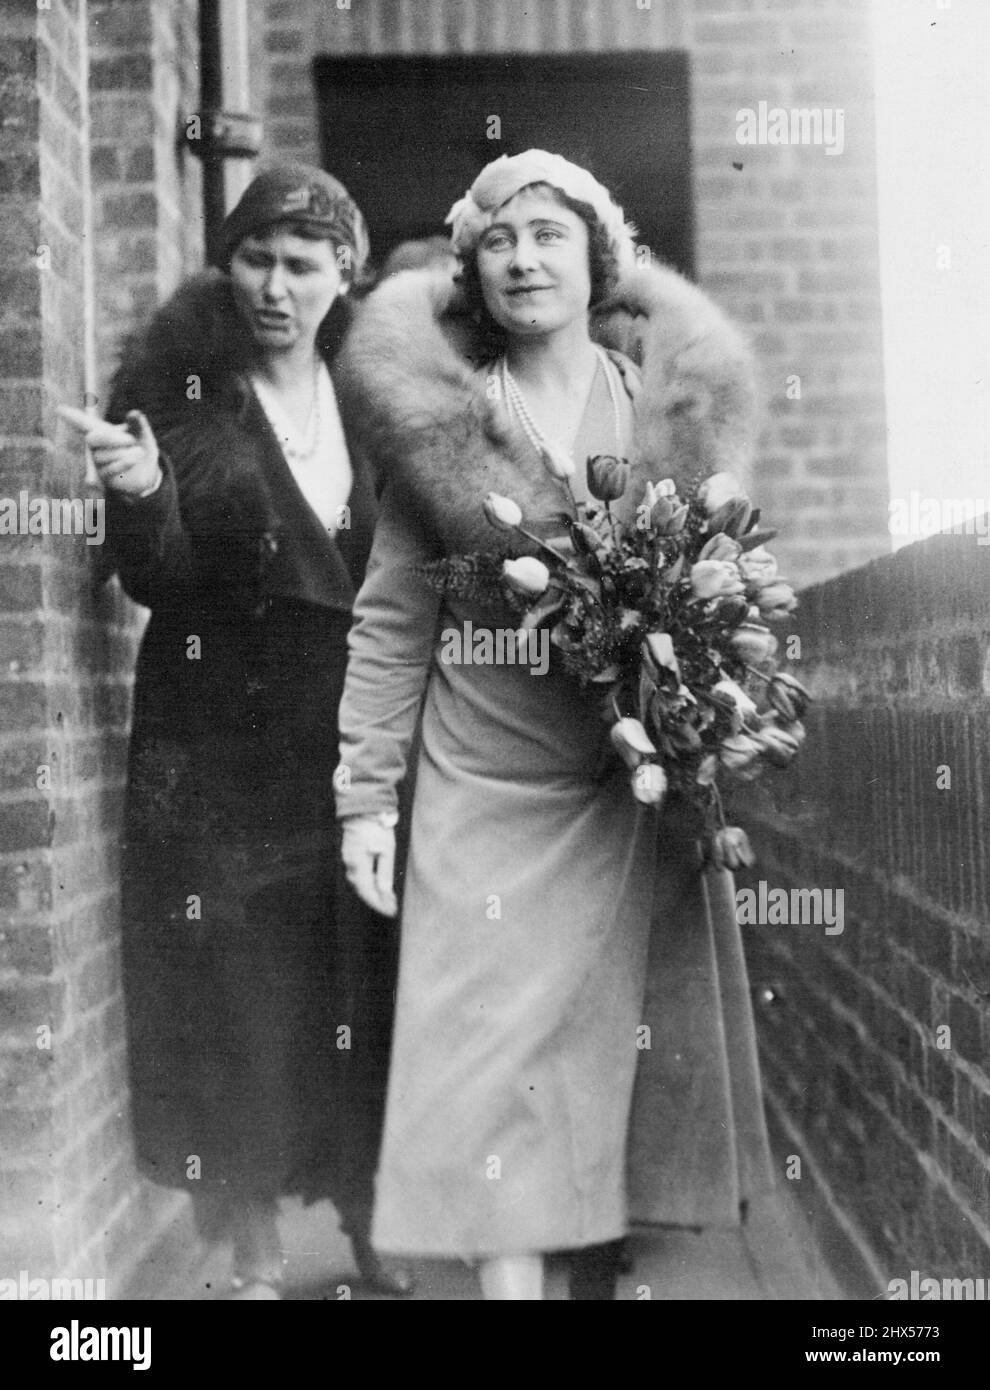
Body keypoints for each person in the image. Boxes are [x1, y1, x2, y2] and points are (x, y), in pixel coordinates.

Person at [332, 150, 776, 1300]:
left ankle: (602, 1273)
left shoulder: (650, 410)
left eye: (548, 235)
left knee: (607, 1065)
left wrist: (711, 709)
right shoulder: (448, 422)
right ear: (470, 267)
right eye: (498, 239)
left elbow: (723, 597)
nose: (524, 259)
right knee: (487, 1067)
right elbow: (390, 622)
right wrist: (365, 795)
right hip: (484, 787)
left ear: (597, 258)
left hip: (622, 788)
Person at [87, 164, 410, 1299]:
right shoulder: (182, 394)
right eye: (257, 259)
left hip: (350, 730)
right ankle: (257, 1245)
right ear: (231, 266)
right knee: (239, 987)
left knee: (359, 977)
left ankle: (372, 1220)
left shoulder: (373, 397)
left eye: (303, 265)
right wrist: (141, 490)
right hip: (222, 729)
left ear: (344, 275)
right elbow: (160, 580)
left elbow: (405, 566)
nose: (276, 287)